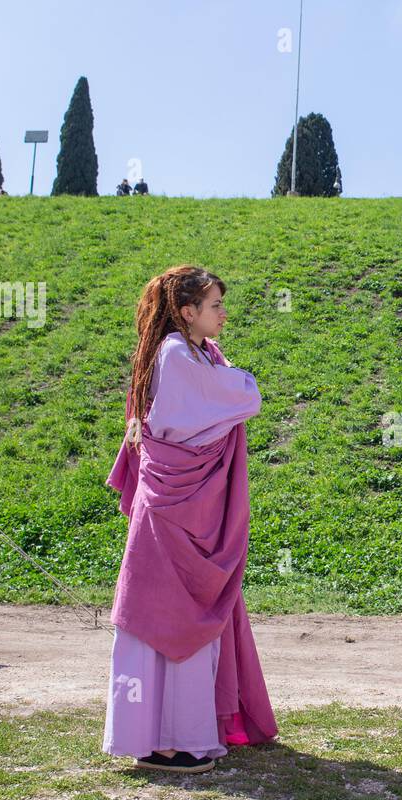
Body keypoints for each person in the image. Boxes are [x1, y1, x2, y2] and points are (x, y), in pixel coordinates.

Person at [103, 265, 278, 773]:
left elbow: (230, 397)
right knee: (165, 615)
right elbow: (244, 396)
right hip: (170, 512)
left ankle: (177, 733)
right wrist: (238, 383)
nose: (224, 313)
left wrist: (232, 381)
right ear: (187, 312)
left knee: (182, 614)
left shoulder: (202, 352)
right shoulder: (178, 354)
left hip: (185, 506)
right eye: (215, 305)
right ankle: (163, 741)